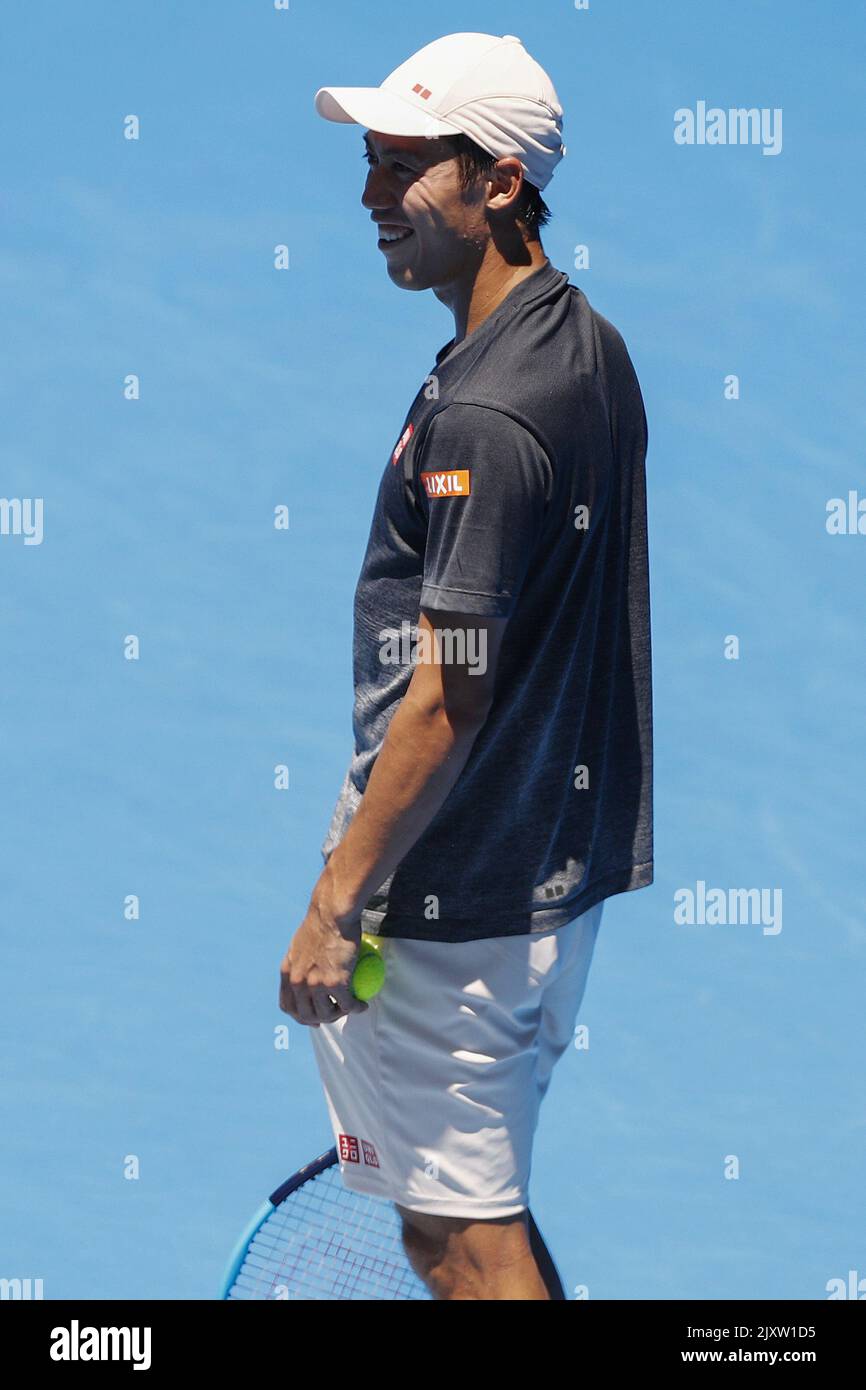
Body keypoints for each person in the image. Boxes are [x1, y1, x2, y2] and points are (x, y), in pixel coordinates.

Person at [279, 31, 653, 1300]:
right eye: (372, 165)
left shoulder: (482, 418)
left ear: (500, 183)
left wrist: (340, 901)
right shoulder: (582, 343)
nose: (373, 199)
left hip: (451, 894)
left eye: (403, 168)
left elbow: (448, 694)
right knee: (476, 1203)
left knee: (459, 1242)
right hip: (546, 864)